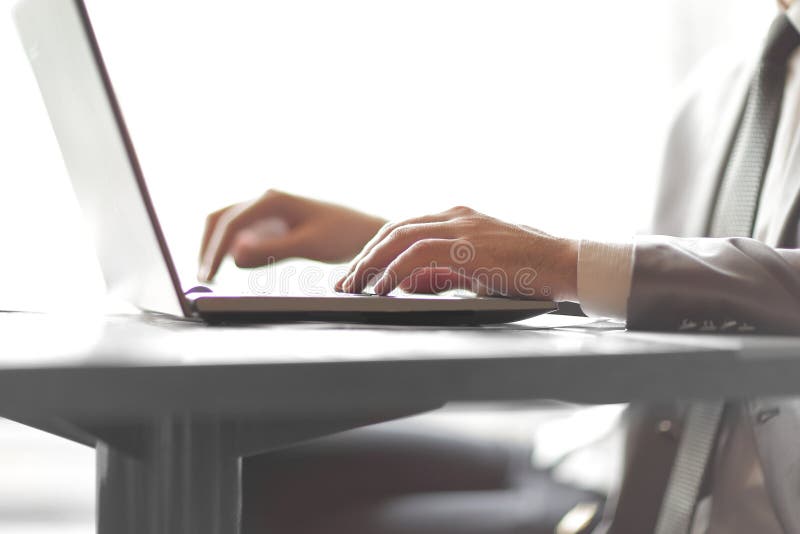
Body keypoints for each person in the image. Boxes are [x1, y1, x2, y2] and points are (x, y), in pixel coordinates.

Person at [199, 0, 800, 532]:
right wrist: (400, 243)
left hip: (682, 510)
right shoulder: (722, 87)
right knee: (245, 469)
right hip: (594, 459)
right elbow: (640, 291)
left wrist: (561, 261)